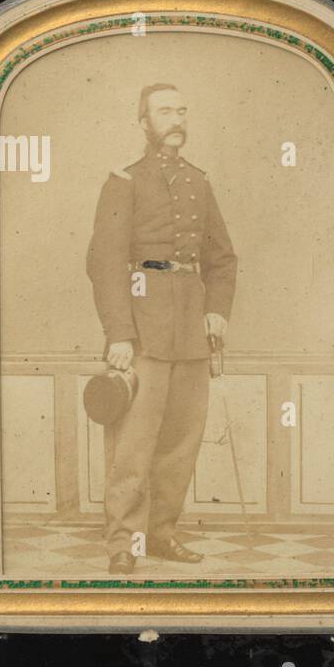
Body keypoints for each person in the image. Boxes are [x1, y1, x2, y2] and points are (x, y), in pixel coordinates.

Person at [86, 83, 239, 575]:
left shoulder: (199, 181)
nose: (177, 118)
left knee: (181, 442)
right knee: (134, 444)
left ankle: (161, 534)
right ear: (144, 122)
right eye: (165, 111)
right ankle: (123, 542)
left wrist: (217, 309)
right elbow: (105, 263)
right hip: (143, 326)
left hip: (191, 330)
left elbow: (222, 258)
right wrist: (119, 334)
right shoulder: (124, 181)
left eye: (182, 109)